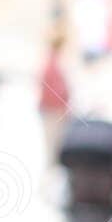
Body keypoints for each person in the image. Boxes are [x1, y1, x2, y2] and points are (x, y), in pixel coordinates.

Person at [38, 32, 71, 166]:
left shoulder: (55, 62)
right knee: (53, 148)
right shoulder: (52, 64)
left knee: (55, 146)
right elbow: (53, 90)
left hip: (54, 110)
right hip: (52, 111)